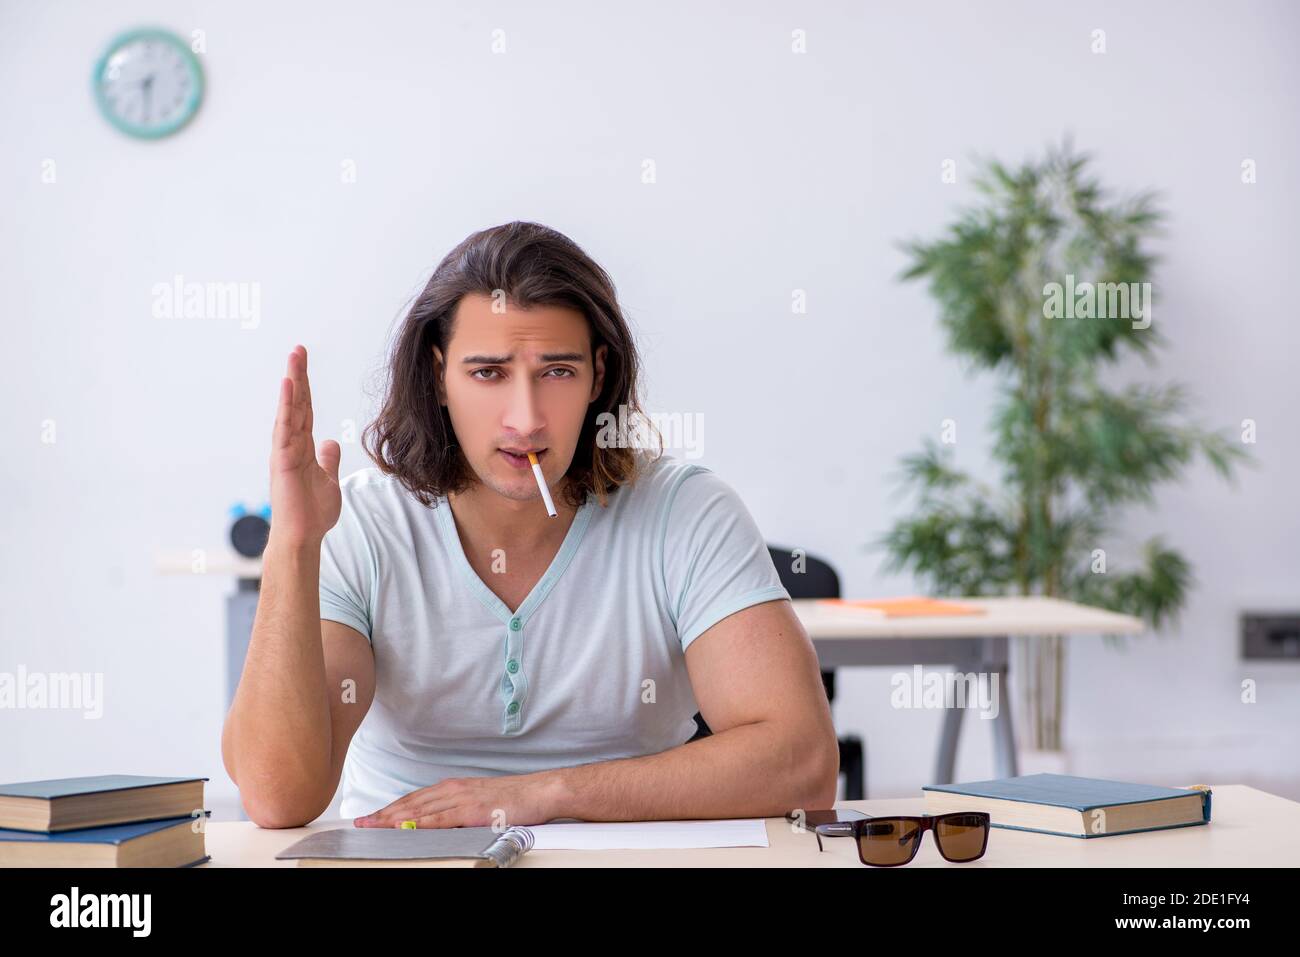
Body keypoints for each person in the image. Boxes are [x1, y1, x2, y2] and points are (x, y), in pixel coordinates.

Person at [221, 221, 838, 828]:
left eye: (557, 372)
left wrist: (543, 794)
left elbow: (802, 765)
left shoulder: (686, 512)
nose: (526, 419)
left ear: (599, 374)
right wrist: (294, 545)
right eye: (488, 373)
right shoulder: (361, 525)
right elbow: (281, 798)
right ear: (438, 376)